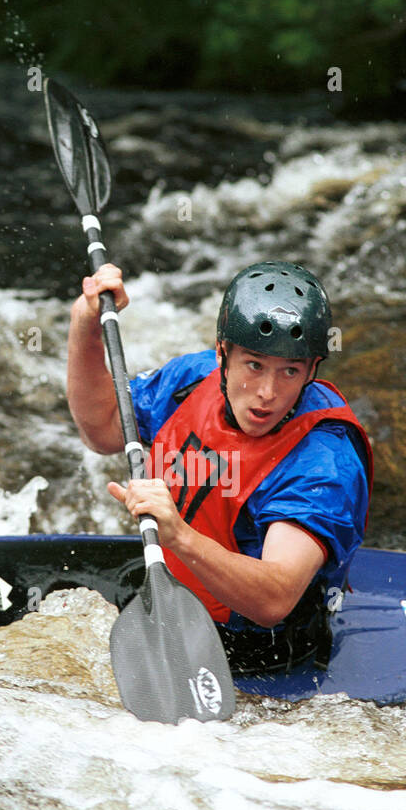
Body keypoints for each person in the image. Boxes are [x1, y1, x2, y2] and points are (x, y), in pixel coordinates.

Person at [67, 259, 373, 672]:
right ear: (223, 354)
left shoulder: (324, 462)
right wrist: (86, 323)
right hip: (167, 590)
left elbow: (274, 598)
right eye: (254, 365)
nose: (267, 392)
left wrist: (177, 535)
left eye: (289, 371)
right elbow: (102, 431)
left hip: (257, 651)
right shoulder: (193, 381)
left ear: (312, 371)